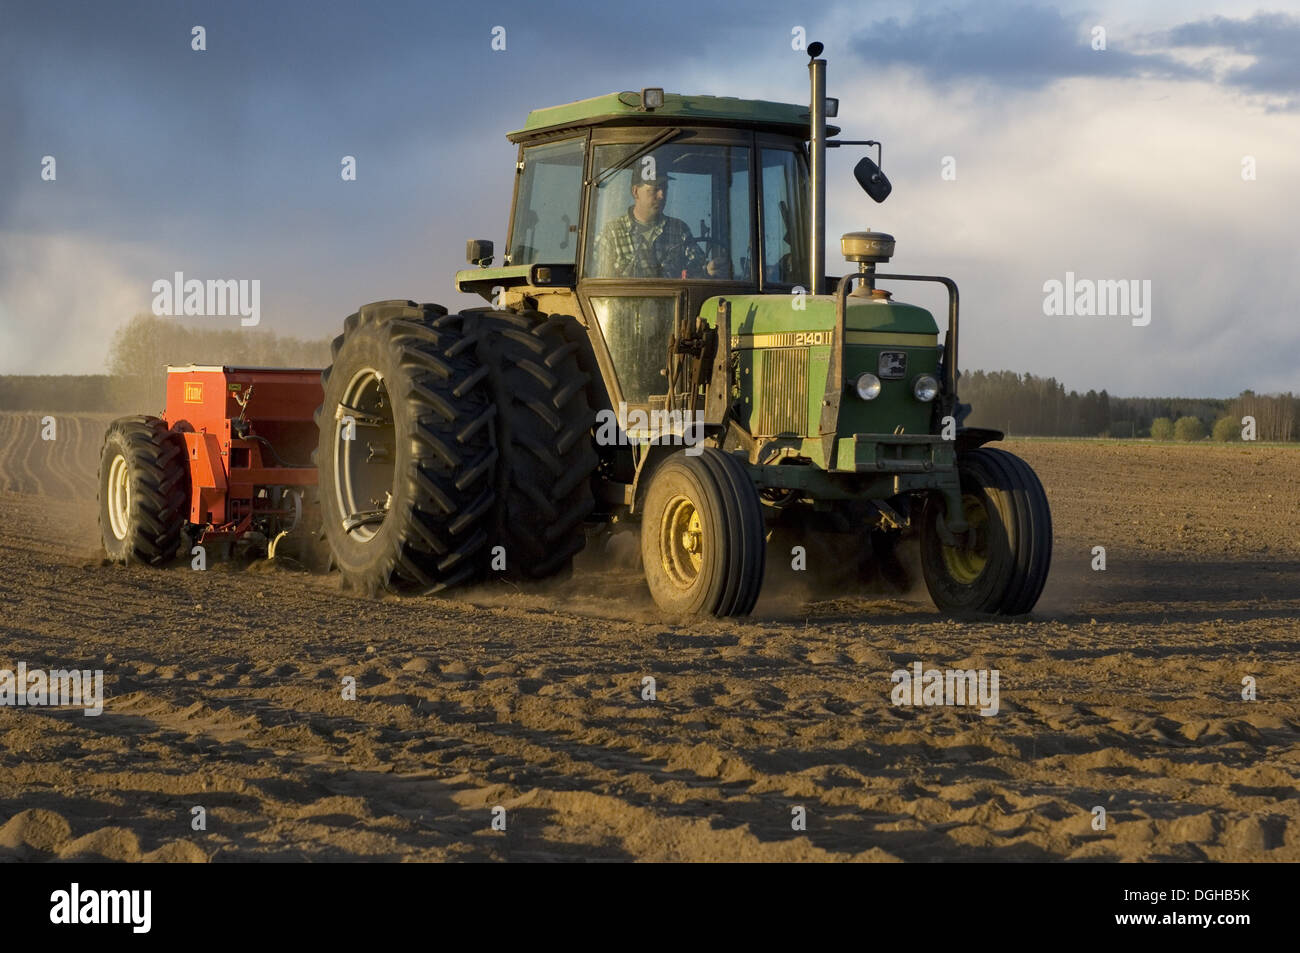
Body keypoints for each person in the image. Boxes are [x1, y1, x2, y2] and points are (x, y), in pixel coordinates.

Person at [592, 172, 724, 278]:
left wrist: (708, 269)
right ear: (635, 191)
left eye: (664, 188)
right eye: (654, 190)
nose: (662, 195)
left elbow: (697, 266)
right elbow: (598, 282)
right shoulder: (612, 233)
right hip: (624, 310)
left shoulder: (679, 230)